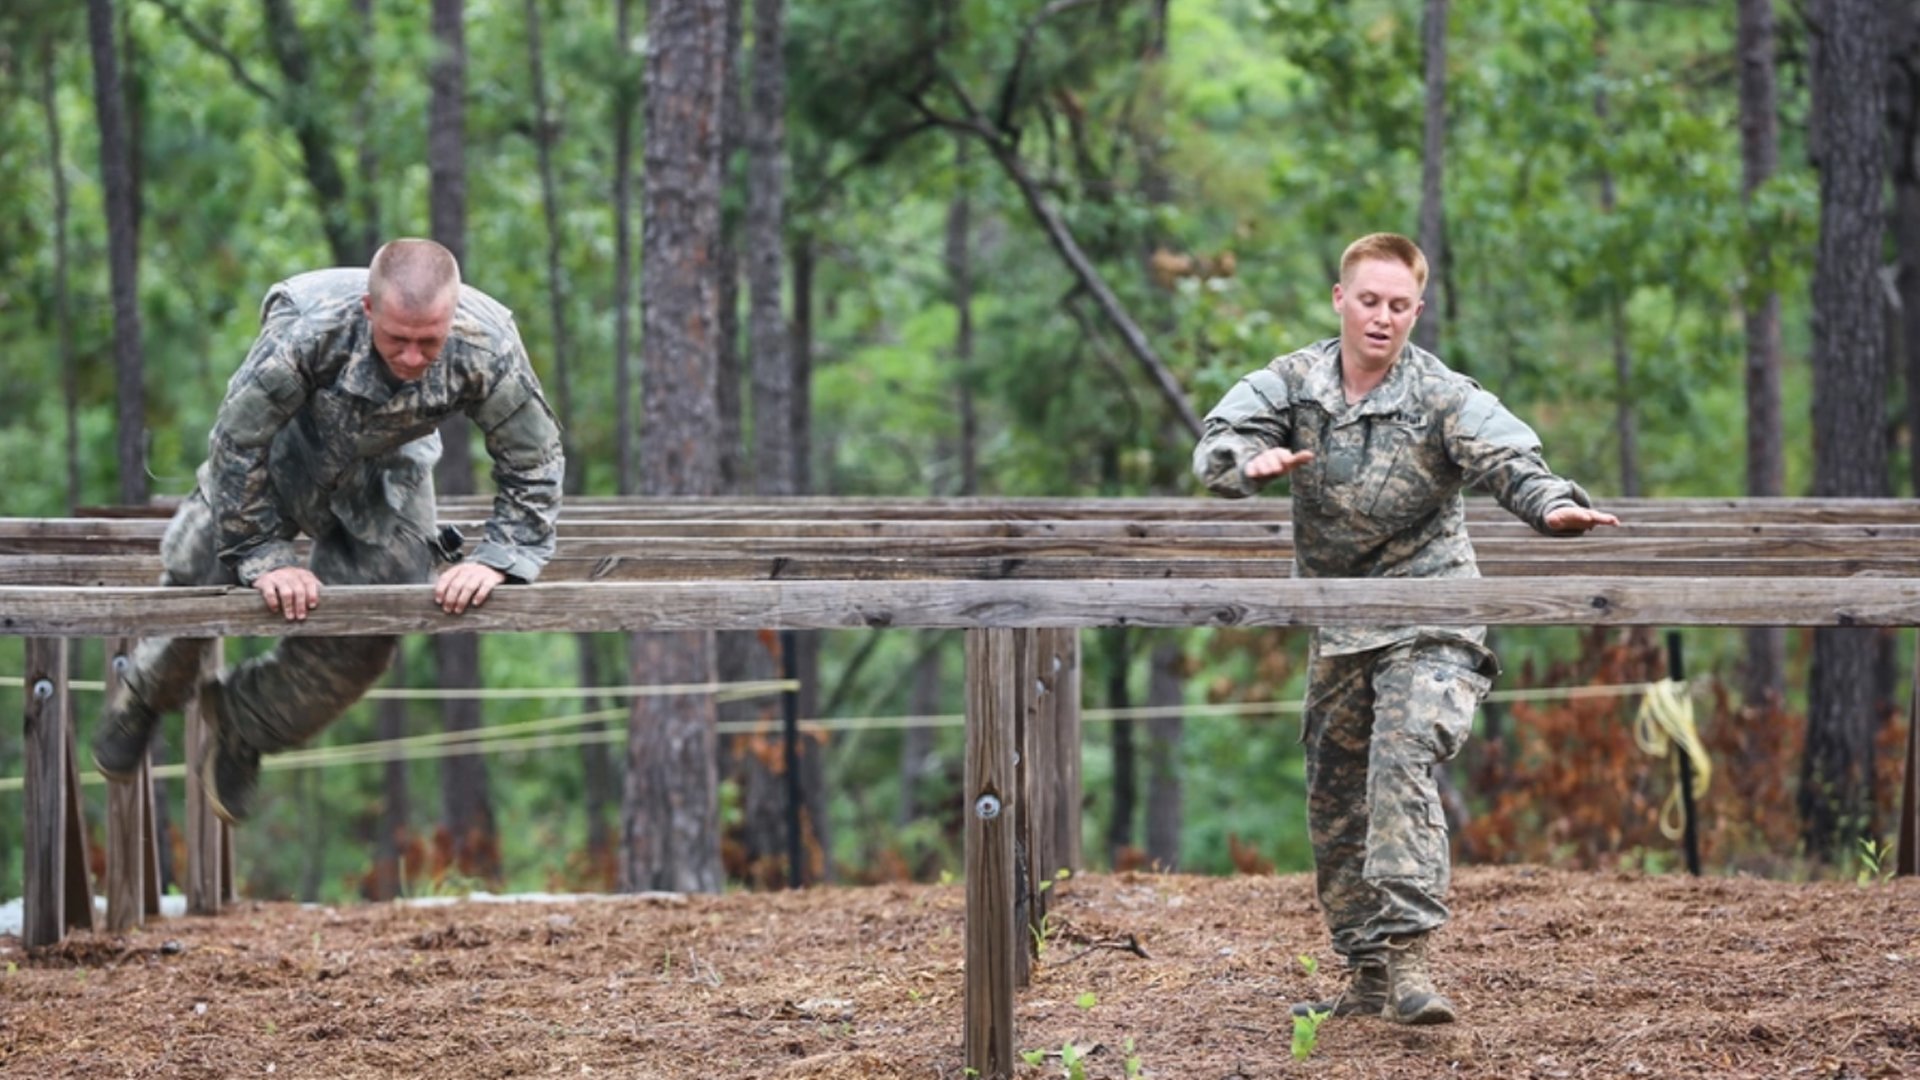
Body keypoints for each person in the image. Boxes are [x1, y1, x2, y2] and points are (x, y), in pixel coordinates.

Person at [1192, 233, 1618, 1025]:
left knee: (1401, 756)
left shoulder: (1441, 394)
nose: (1382, 318)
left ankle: (1412, 962)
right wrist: (1245, 463)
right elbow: (1222, 435)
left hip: (1433, 612)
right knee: (1335, 793)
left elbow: (1509, 454)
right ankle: (1366, 971)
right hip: (1342, 621)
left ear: (1416, 310)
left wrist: (1551, 504)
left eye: (1398, 305)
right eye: (1369, 301)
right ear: (1340, 300)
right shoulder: (1295, 381)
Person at [92, 238, 564, 825]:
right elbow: (239, 439)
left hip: (388, 469)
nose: (413, 357)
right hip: (283, 449)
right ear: (369, 310)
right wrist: (263, 554)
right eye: (398, 338)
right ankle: (144, 694)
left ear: (452, 316)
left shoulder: (487, 344)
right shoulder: (310, 328)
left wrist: (499, 556)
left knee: (379, 618)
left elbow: (534, 458)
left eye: (430, 342)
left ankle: (244, 725)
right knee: (199, 572)